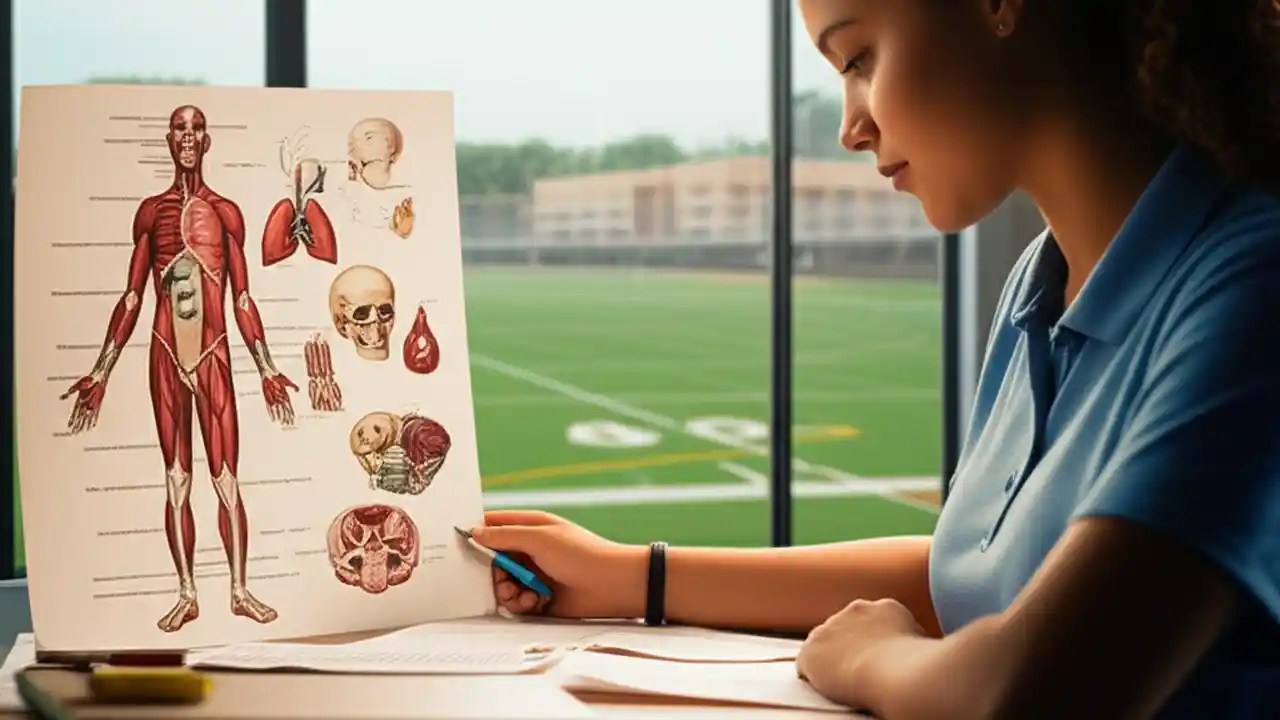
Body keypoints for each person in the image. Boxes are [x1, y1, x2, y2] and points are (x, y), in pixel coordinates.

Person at [468, 1, 1280, 717]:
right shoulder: (1038, 282)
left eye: (858, 59)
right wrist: (629, 575)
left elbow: (1029, 691)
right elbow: (973, 581)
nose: (850, 125)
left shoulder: (1255, 284)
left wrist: (867, 659)